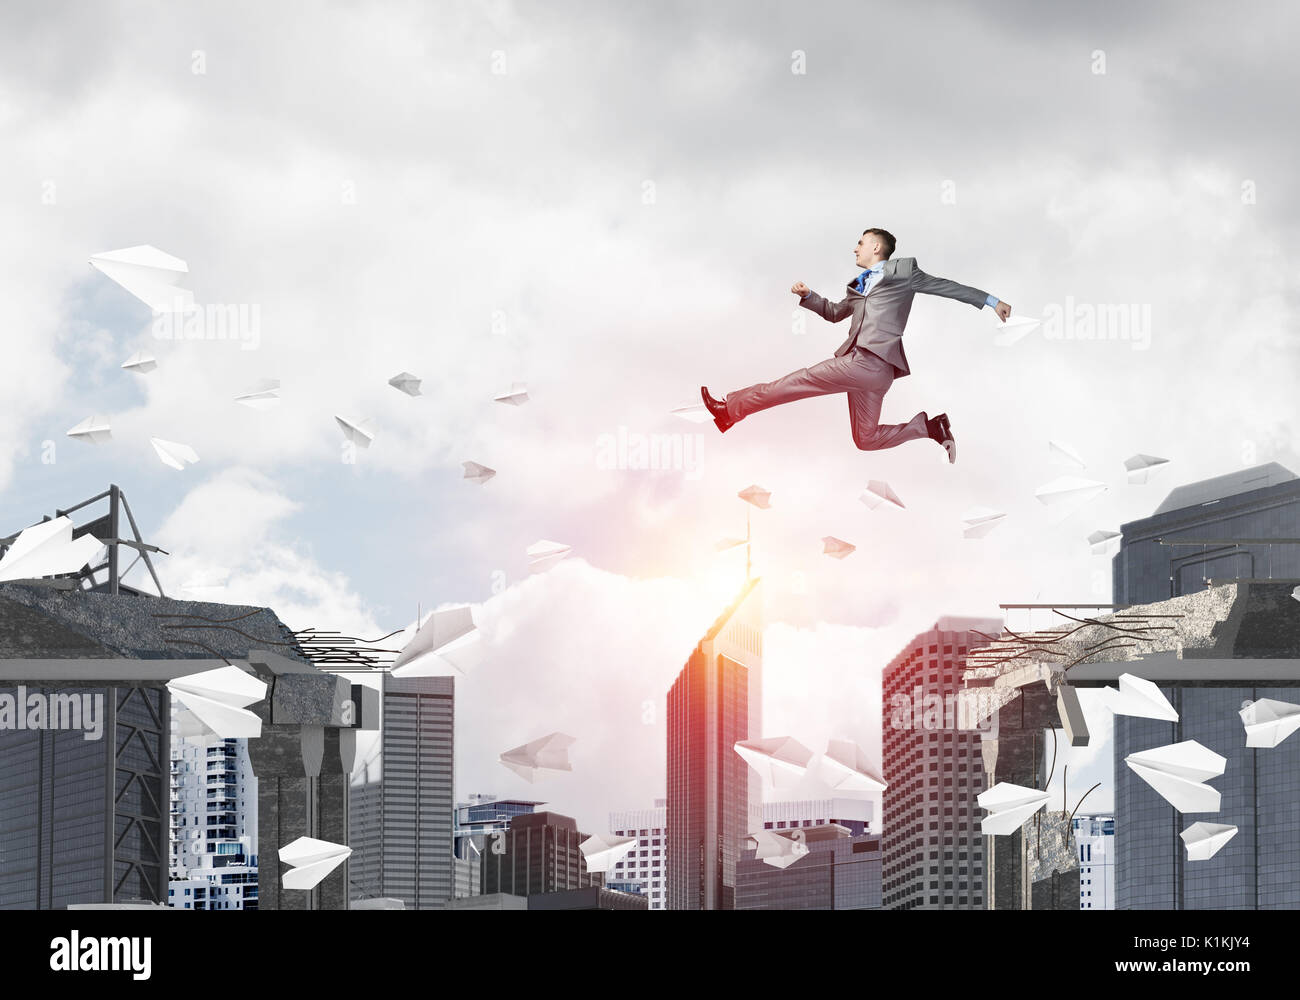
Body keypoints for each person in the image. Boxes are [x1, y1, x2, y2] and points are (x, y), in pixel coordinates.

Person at [700, 228, 1011, 464]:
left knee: (796, 382)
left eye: (860, 243)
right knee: (865, 438)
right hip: (870, 372)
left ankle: (729, 409)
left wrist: (991, 301)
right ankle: (929, 429)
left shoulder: (904, 272)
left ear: (876, 247)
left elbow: (946, 287)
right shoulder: (859, 283)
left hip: (869, 361)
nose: (855, 248)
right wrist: (809, 296)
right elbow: (836, 313)